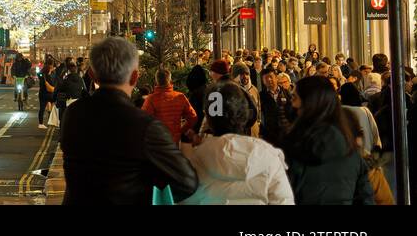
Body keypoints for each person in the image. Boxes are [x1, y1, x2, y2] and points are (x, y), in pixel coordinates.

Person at [59, 36, 198, 206]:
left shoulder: (72, 114)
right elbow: (187, 182)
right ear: (134, 77)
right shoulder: (145, 126)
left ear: (92, 75)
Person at [179, 81, 293, 205]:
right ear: (245, 115)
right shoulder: (268, 156)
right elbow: (283, 201)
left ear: (208, 120)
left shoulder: (194, 160)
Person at [282, 75, 374, 205]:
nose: (292, 104)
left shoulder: (293, 146)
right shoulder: (349, 146)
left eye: (294, 97)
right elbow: (365, 197)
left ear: (309, 103)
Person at [140, 69, 197, 145]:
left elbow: (143, 122)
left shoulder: (151, 99)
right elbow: (193, 117)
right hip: (174, 142)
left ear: (156, 82)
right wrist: (180, 131)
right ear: (170, 80)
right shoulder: (180, 97)